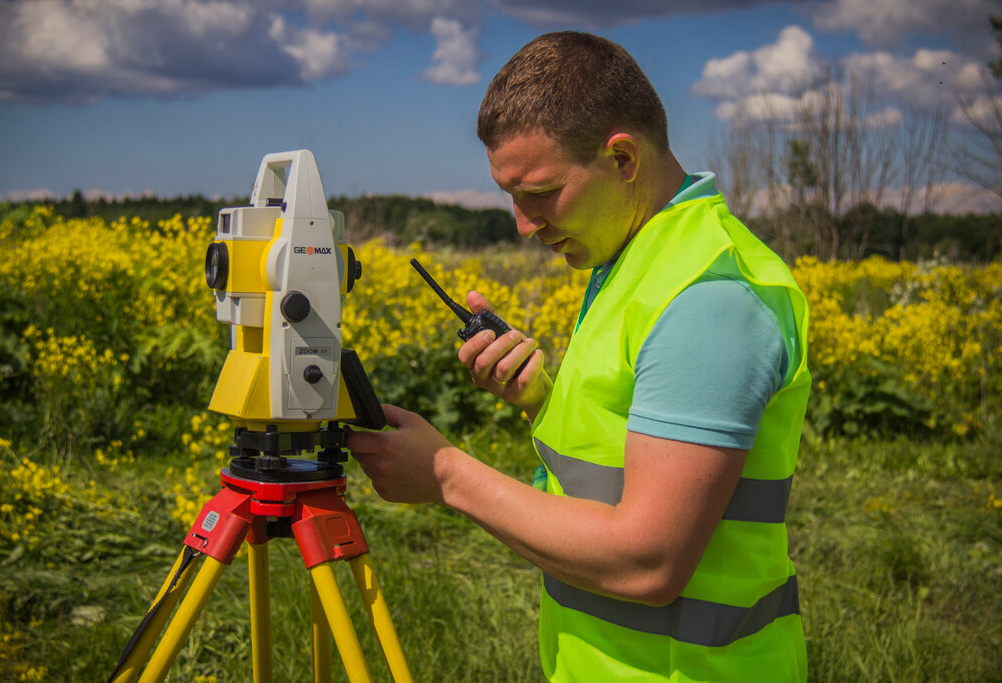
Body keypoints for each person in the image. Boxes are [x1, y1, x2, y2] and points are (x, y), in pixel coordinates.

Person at [346, 31, 811, 682]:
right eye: (510, 196)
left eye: (538, 191)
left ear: (622, 158)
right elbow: (624, 456)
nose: (523, 224)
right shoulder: (632, 261)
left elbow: (647, 560)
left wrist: (448, 474)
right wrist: (540, 398)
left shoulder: (712, 299)